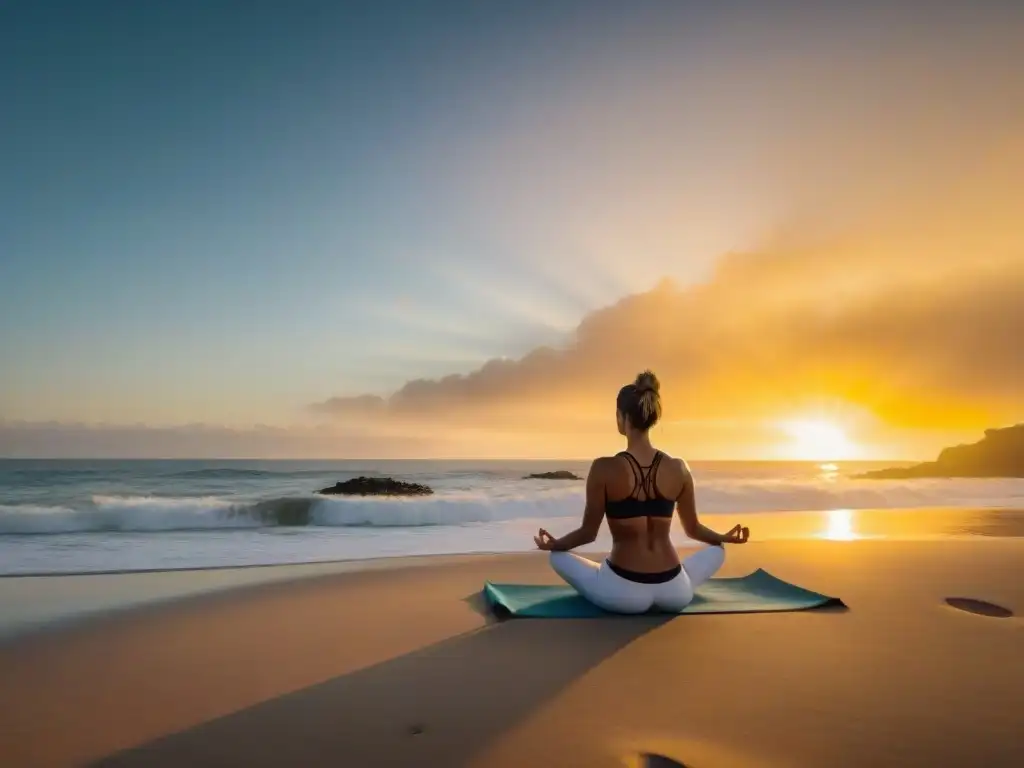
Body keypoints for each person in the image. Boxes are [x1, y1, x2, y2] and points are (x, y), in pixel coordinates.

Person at [533, 370, 749, 613]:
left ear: (622, 417)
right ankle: (682, 579)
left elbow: (588, 533)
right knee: (717, 550)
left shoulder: (603, 468)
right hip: (675, 591)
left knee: (557, 557)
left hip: (623, 593)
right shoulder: (679, 467)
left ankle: (608, 577)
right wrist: (724, 537)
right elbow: (693, 529)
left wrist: (556, 544)